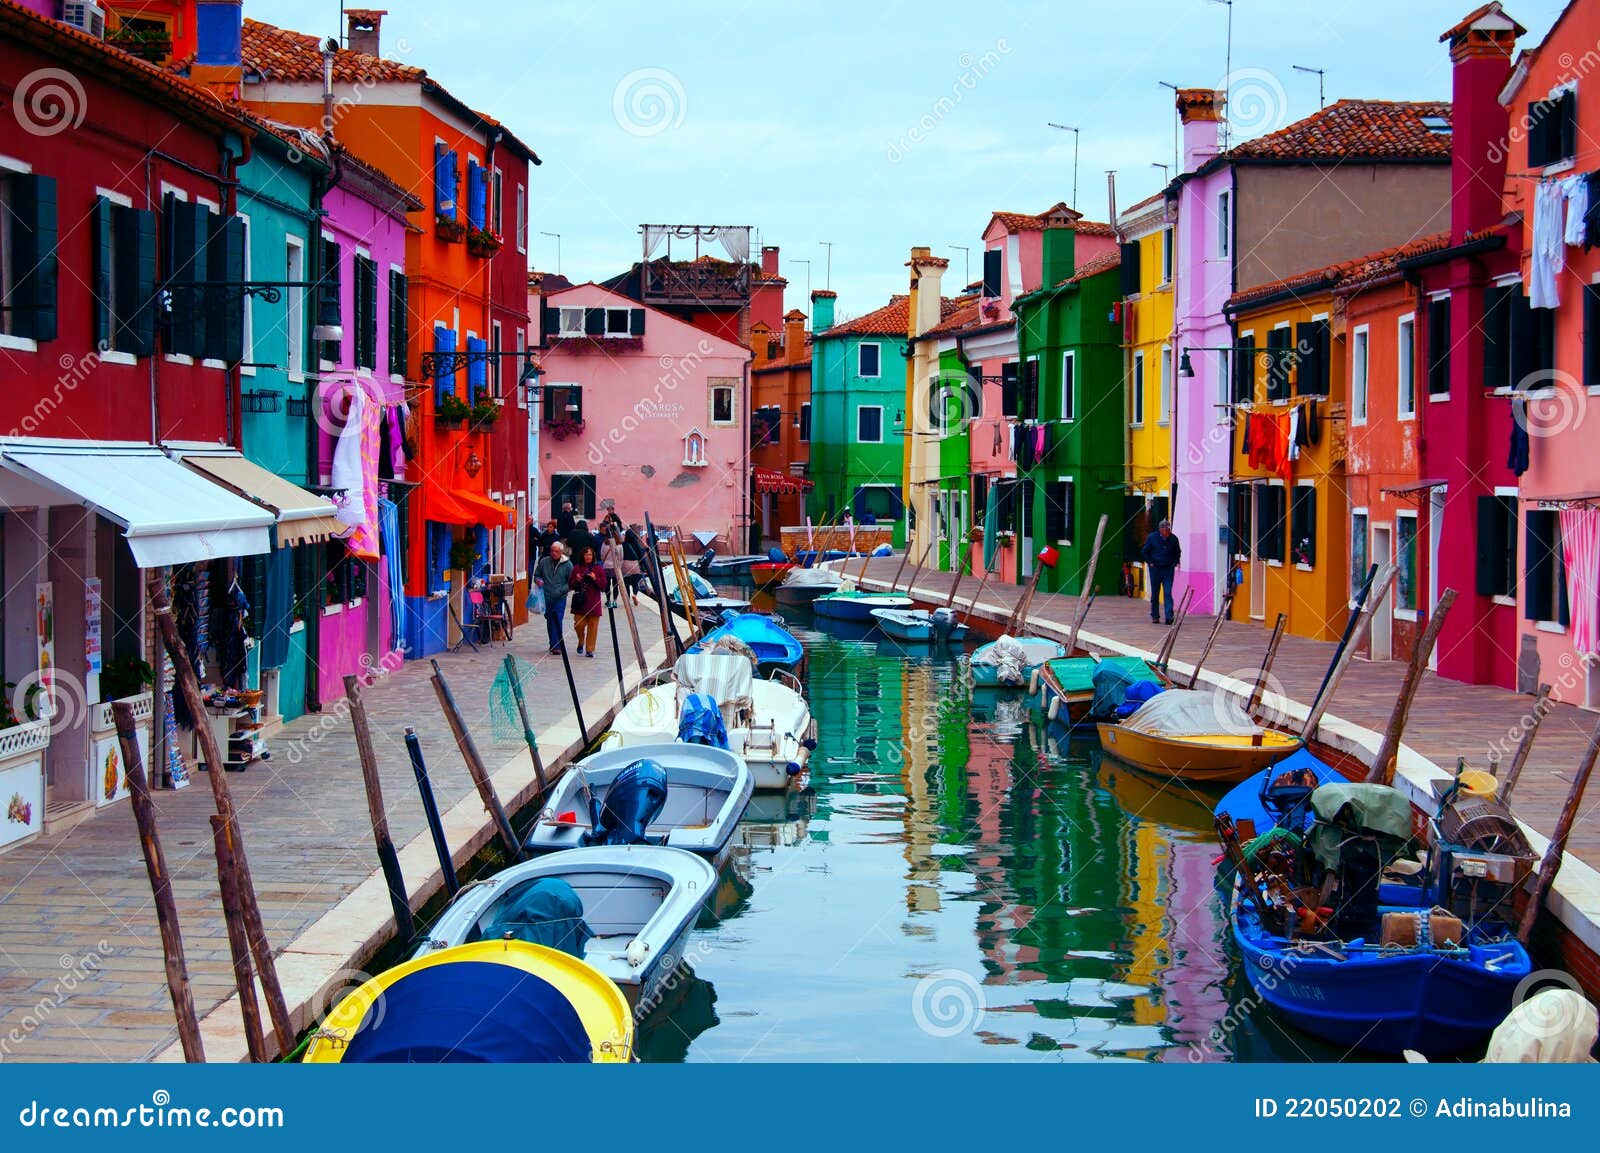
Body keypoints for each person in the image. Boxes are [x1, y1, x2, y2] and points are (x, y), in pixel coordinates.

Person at [1140, 519, 1182, 625]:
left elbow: (1177, 552)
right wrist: (1150, 563)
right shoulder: (1152, 537)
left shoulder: (1173, 539)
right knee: (1155, 593)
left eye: (1168, 529)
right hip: (1155, 569)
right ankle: (1155, 616)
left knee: (1168, 592)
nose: (1166, 531)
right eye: (1164, 529)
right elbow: (1145, 551)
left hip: (1168, 569)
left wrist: (1175, 562)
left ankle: (1169, 616)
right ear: (1160, 529)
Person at [534, 541, 573, 653]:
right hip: (546, 596)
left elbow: (571, 583)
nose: (554, 553)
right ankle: (553, 643)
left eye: (556, 551)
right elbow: (537, 575)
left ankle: (557, 646)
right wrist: (538, 580)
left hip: (560, 597)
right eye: (552, 551)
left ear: (561, 552)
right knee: (550, 619)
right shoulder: (544, 562)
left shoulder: (567, 564)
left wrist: (561, 590)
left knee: (557, 619)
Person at [569, 545, 605, 657]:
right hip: (580, 603)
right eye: (586, 554)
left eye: (590, 554)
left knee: (593, 627)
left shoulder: (598, 569)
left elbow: (604, 585)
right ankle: (581, 641)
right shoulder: (577, 568)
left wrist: (595, 578)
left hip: (594, 602)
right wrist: (577, 579)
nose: (588, 557)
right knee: (578, 625)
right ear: (582, 556)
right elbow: (570, 584)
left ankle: (589, 649)